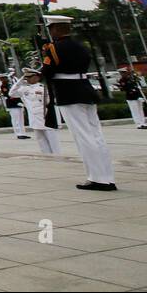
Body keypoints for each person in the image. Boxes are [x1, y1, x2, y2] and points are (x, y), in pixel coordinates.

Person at [40, 15, 116, 190]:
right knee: (96, 135)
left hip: (69, 93)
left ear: (56, 29)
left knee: (83, 136)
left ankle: (98, 178)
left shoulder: (54, 48)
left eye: (51, 28)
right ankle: (107, 177)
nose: (50, 32)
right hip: (85, 90)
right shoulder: (81, 46)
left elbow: (48, 71)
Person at [10, 67, 60, 154]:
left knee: (53, 140)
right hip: (33, 118)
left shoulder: (43, 88)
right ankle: (48, 157)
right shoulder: (25, 89)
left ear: (37, 77)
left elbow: (49, 102)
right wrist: (20, 81)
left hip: (46, 117)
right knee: (41, 141)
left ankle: (57, 156)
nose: (27, 79)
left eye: (30, 76)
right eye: (26, 77)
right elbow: (12, 93)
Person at [3, 73, 30, 139]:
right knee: (16, 119)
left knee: (21, 119)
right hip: (12, 104)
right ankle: (18, 133)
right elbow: (9, 95)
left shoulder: (15, 85)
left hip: (18, 103)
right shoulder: (4, 85)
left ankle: (23, 133)